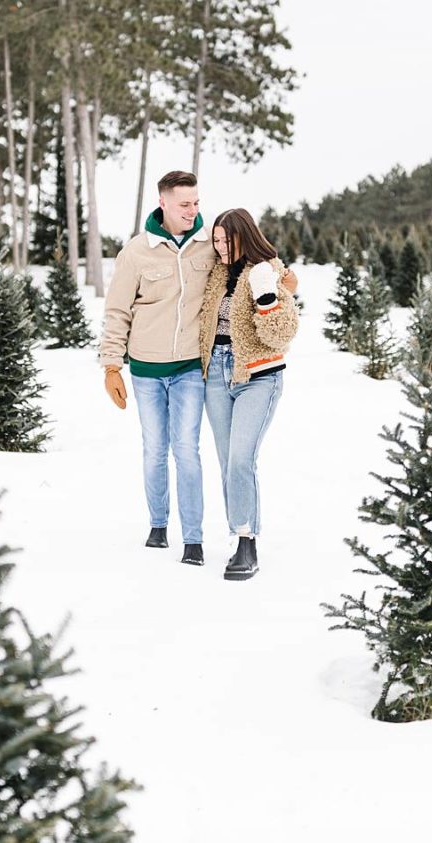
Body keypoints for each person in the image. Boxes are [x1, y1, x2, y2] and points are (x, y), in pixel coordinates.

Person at [100, 172, 295, 567]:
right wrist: (111, 364)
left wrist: (283, 284)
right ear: (163, 203)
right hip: (165, 367)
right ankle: (160, 524)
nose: (193, 211)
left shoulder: (213, 246)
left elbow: (265, 277)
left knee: (203, 453)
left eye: (196, 202)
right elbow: (117, 309)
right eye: (185, 204)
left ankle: (224, 541)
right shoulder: (138, 252)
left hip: (203, 367)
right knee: (162, 449)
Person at [198, 208, 298, 581]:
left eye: (227, 239)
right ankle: (237, 528)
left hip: (258, 375)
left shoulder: (266, 271)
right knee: (227, 463)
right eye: (216, 240)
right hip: (216, 374)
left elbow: (281, 334)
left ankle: (246, 543)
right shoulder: (217, 272)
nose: (220, 246)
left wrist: (267, 295)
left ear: (245, 236)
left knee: (241, 459)